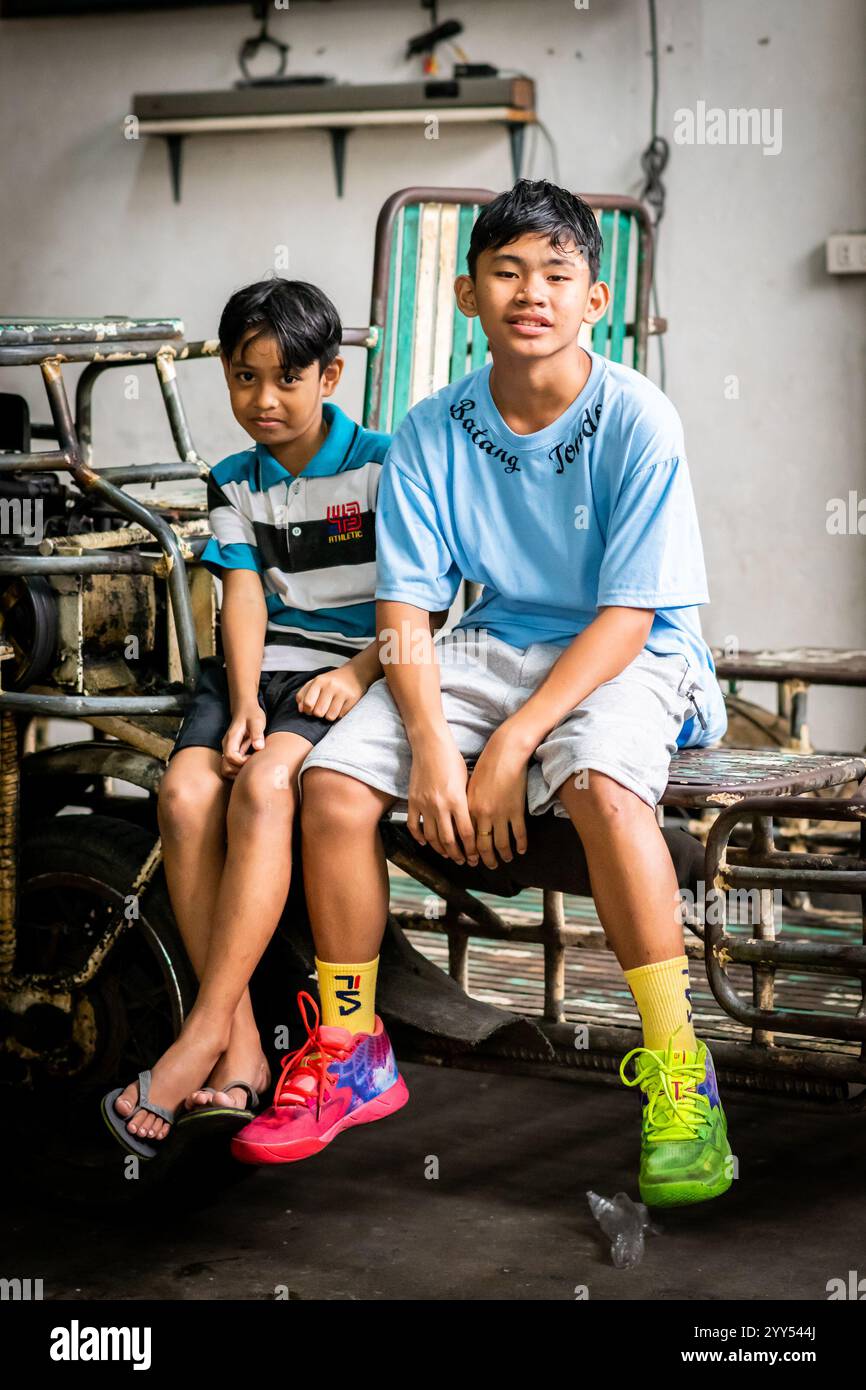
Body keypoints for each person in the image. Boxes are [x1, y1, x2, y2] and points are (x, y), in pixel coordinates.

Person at [234, 179, 733, 1208]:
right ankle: (349, 1043)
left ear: (592, 299)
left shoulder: (638, 417)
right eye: (506, 271)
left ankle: (682, 1071)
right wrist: (428, 742)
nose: (530, 293)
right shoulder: (429, 430)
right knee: (328, 791)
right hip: (488, 641)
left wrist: (508, 749)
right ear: (469, 295)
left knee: (596, 786)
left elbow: (629, 616)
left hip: (625, 648)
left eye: (555, 273)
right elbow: (407, 614)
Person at [101, 277, 406, 1158]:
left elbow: (419, 597)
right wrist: (237, 703)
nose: (263, 401)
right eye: (243, 379)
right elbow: (241, 595)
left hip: (342, 680)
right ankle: (237, 1041)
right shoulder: (232, 477)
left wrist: (357, 671)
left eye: (285, 379)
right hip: (257, 677)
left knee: (269, 787)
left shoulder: (386, 464)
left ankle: (195, 1042)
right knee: (189, 793)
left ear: (331, 377)